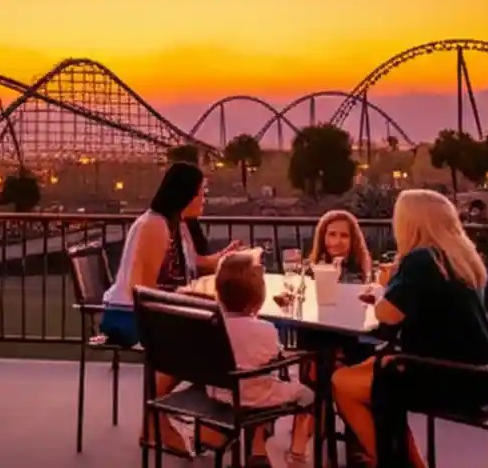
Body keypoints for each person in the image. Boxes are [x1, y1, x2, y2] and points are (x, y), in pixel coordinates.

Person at [331, 190, 488, 467]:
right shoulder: (459, 258)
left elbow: (387, 315)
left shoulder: (422, 260)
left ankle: (393, 461)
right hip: (479, 373)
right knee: (370, 370)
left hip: (447, 376)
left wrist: (386, 288)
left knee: (343, 383)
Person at [100, 162, 240, 456]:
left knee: (219, 336)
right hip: (130, 315)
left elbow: (195, 264)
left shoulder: (177, 225)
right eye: (202, 193)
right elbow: (143, 290)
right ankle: (156, 419)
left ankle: (201, 422)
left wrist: (223, 260)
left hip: (156, 310)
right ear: (186, 195)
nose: (205, 199)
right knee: (210, 342)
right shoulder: (154, 226)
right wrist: (186, 298)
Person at [210, 252, 314, 468]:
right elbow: (273, 359)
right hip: (254, 395)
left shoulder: (213, 327)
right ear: (258, 299)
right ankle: (297, 450)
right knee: (305, 394)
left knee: (266, 382)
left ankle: (256, 449)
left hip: (220, 393)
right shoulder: (265, 329)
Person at [306, 210, 372, 283]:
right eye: (332, 234)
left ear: (353, 240)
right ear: (322, 237)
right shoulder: (310, 270)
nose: (337, 242)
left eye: (344, 235)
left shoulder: (363, 272)